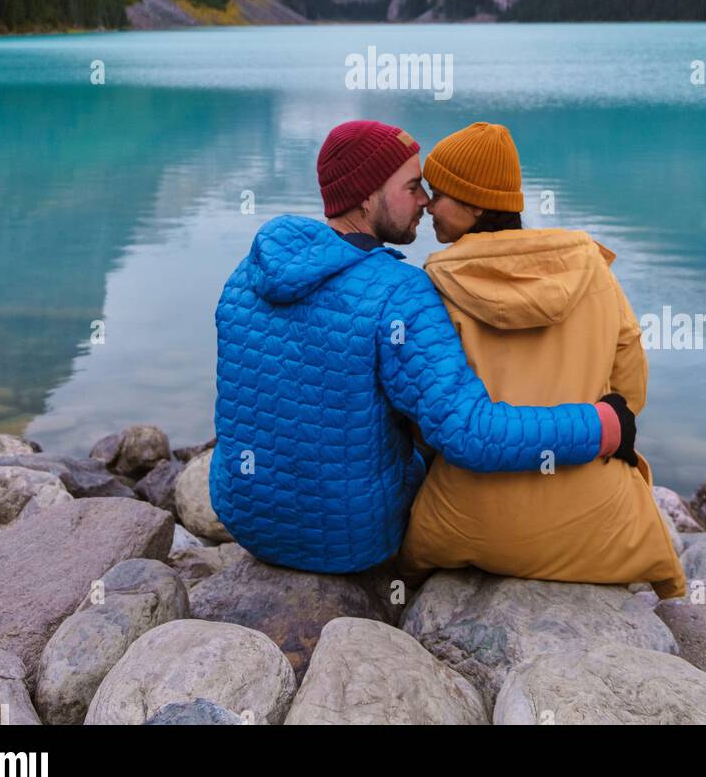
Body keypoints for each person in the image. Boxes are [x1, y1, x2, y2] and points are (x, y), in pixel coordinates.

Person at [210, 120, 636, 575]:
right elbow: (472, 435)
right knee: (442, 440)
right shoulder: (399, 291)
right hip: (349, 541)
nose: (425, 202)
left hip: (245, 518)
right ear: (367, 196)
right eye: (413, 187)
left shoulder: (248, 272)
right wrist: (602, 425)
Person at [397, 121, 686, 599]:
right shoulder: (590, 269)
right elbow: (629, 388)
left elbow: (424, 420)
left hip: (469, 516)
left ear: (475, 204)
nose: (427, 203)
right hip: (591, 518)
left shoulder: (436, 287)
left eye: (440, 192)